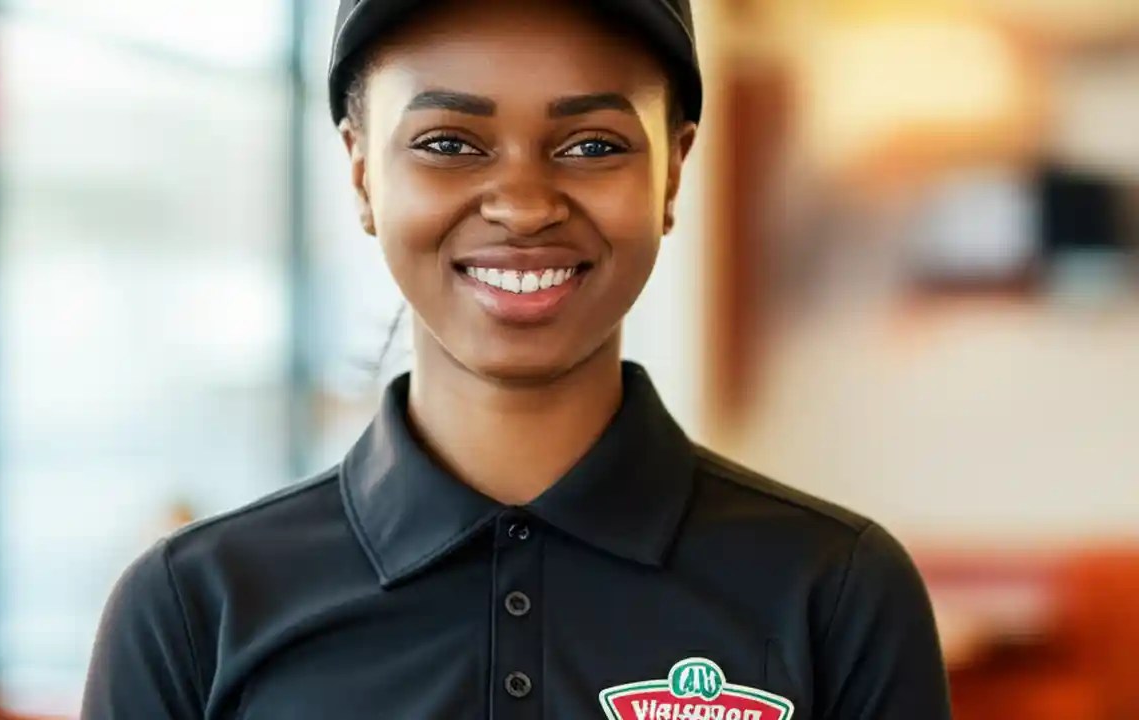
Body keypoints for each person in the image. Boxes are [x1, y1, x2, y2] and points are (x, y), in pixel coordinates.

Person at [81, 0, 952, 718]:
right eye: (449, 144)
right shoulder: (193, 611)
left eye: (593, 146)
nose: (526, 205)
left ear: (673, 177)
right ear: (360, 175)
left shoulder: (836, 593)